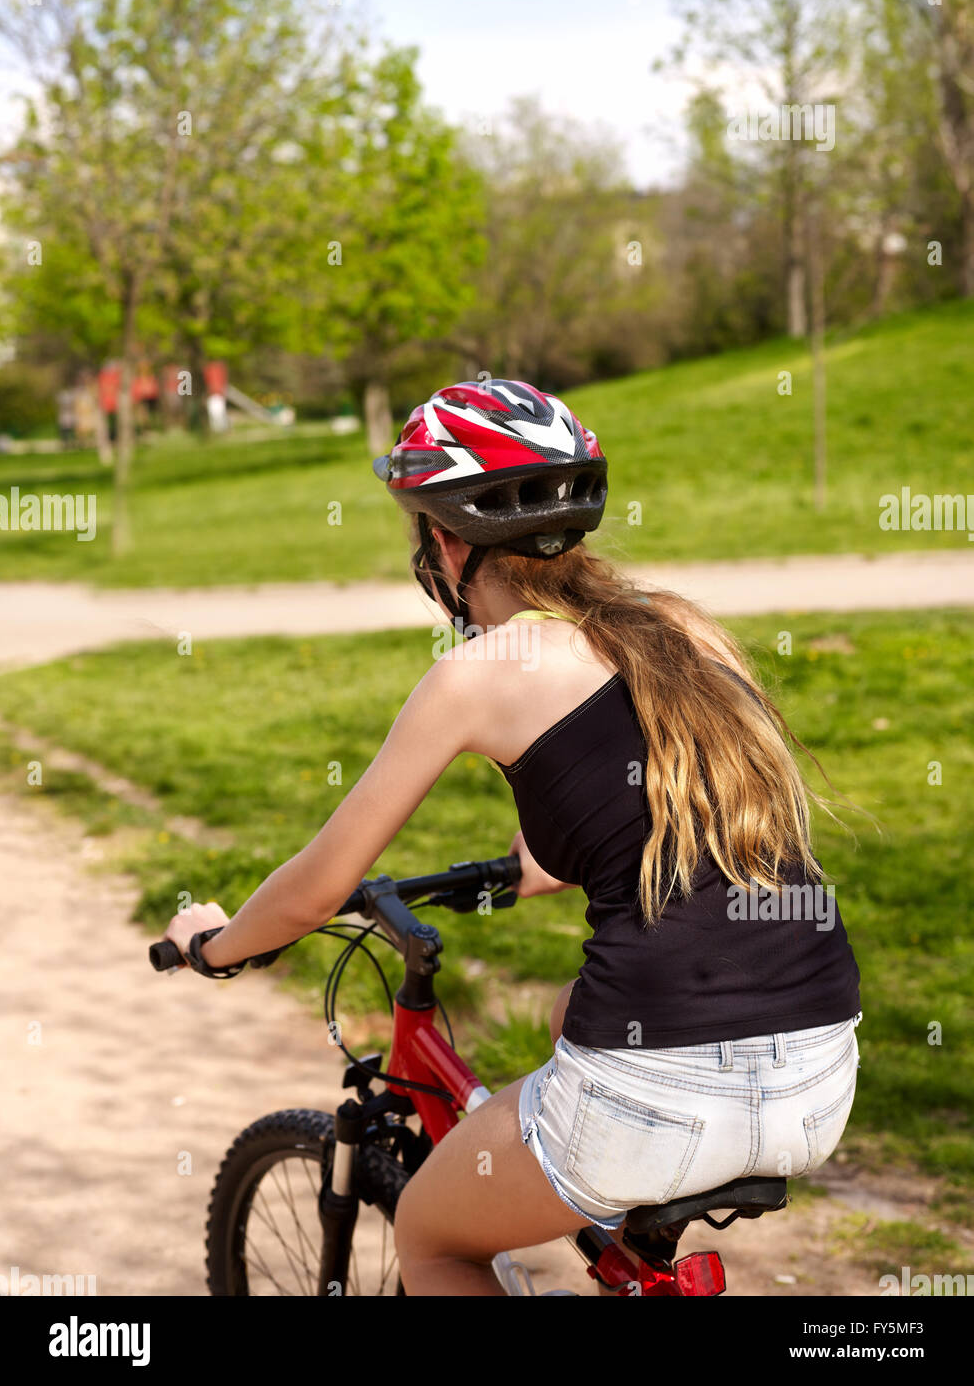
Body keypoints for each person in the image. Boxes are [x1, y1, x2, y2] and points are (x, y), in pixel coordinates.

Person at [162, 378, 862, 1296]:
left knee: (431, 1234)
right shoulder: (682, 631)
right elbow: (659, 820)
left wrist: (213, 947)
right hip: (819, 1077)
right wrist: (520, 871)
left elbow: (313, 889)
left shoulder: (477, 674)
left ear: (446, 541)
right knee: (570, 1016)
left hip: (659, 1096)